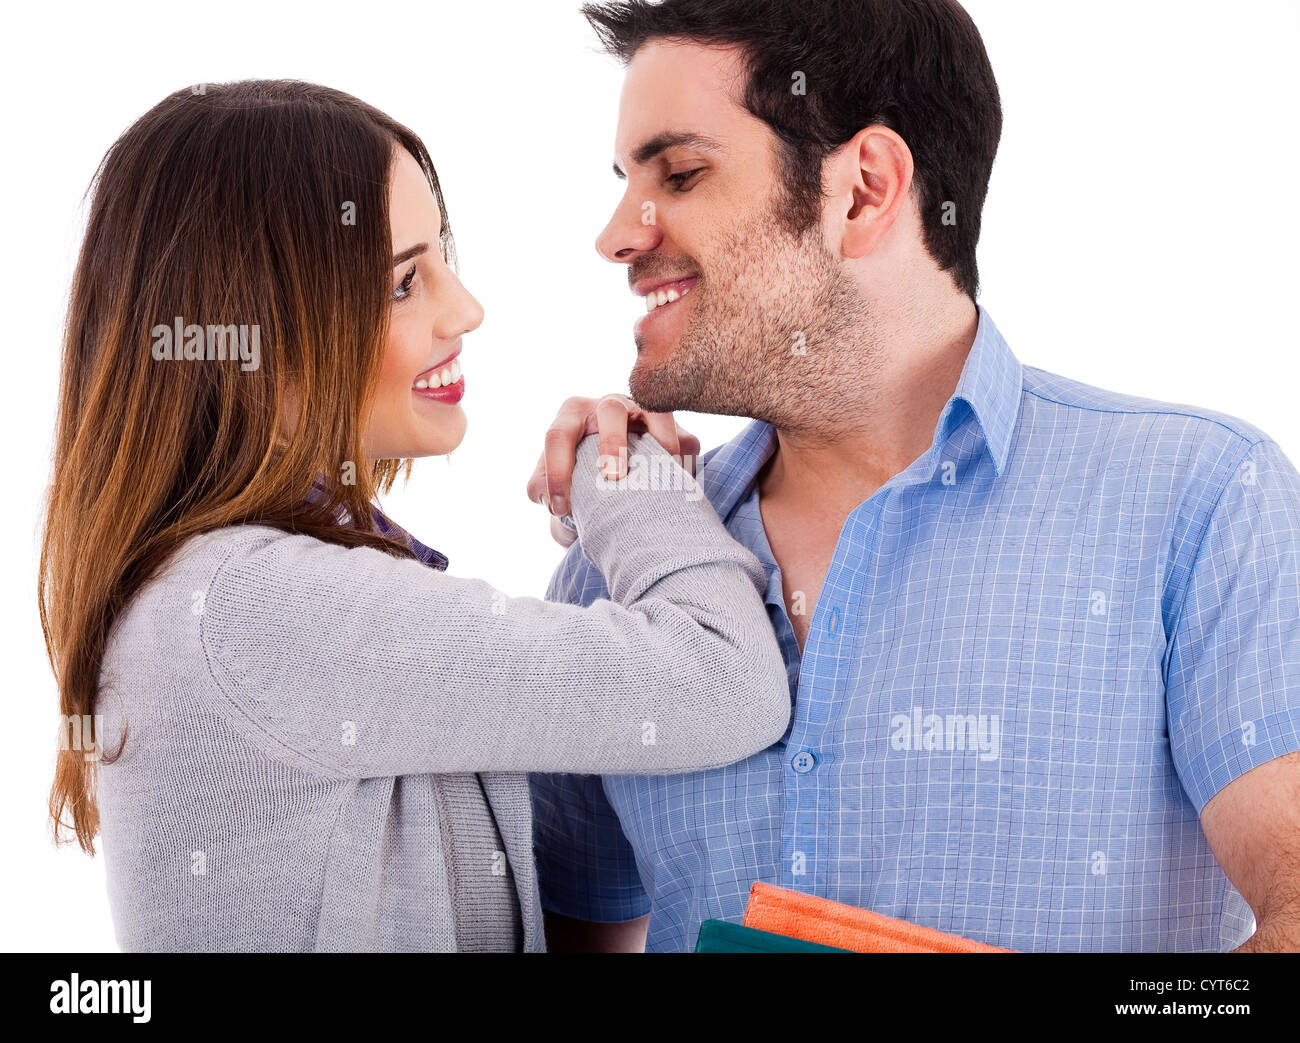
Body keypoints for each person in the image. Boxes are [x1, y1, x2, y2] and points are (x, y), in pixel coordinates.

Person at [528, 0, 1300, 953]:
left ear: (864, 190)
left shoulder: (1204, 502)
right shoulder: (619, 561)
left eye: (680, 173)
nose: (616, 235)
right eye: (626, 181)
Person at [38, 80, 791, 952]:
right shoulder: (254, 604)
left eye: (439, 261)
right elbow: (729, 682)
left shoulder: (225, 592)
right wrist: (622, 474)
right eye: (403, 283)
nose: (464, 310)